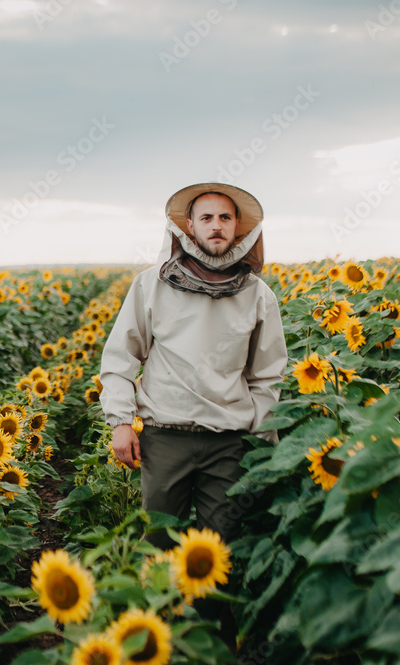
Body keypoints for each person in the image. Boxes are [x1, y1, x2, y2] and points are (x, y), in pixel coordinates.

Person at [99, 183, 287, 551]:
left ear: (237, 227)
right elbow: (121, 357)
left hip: (229, 441)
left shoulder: (257, 294)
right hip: (166, 436)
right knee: (158, 542)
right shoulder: (150, 285)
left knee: (220, 549)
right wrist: (121, 423)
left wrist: (261, 441)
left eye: (225, 218)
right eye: (207, 218)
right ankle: (162, 610)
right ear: (189, 226)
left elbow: (267, 375)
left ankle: (209, 612)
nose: (216, 225)